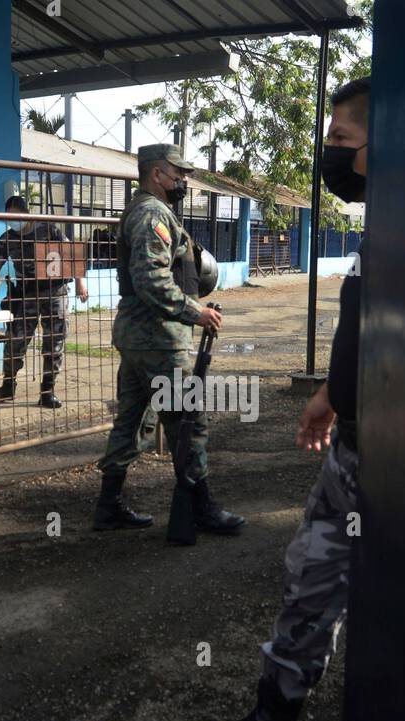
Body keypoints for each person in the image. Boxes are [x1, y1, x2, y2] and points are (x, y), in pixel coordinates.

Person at [187, 78, 370, 721]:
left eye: (339, 143)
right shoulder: (384, 224)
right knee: (309, 577)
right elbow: (367, 329)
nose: (328, 155)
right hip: (352, 450)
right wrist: (331, 392)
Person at [91, 144, 244, 536]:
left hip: (143, 338)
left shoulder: (150, 210)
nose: (184, 180)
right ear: (157, 173)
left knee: (132, 421)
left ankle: (108, 506)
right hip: (158, 339)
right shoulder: (151, 213)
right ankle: (202, 507)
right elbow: (151, 280)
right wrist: (197, 312)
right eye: (179, 173)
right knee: (188, 424)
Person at [0, 195, 88, 408]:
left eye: (16, 216)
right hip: (26, 294)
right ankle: (7, 386)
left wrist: (80, 283)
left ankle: (48, 391)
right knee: (15, 341)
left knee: (54, 343)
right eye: (8, 217)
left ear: (26, 214)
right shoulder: (7, 239)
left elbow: (71, 253)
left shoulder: (48, 229)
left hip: (55, 292)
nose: (13, 221)